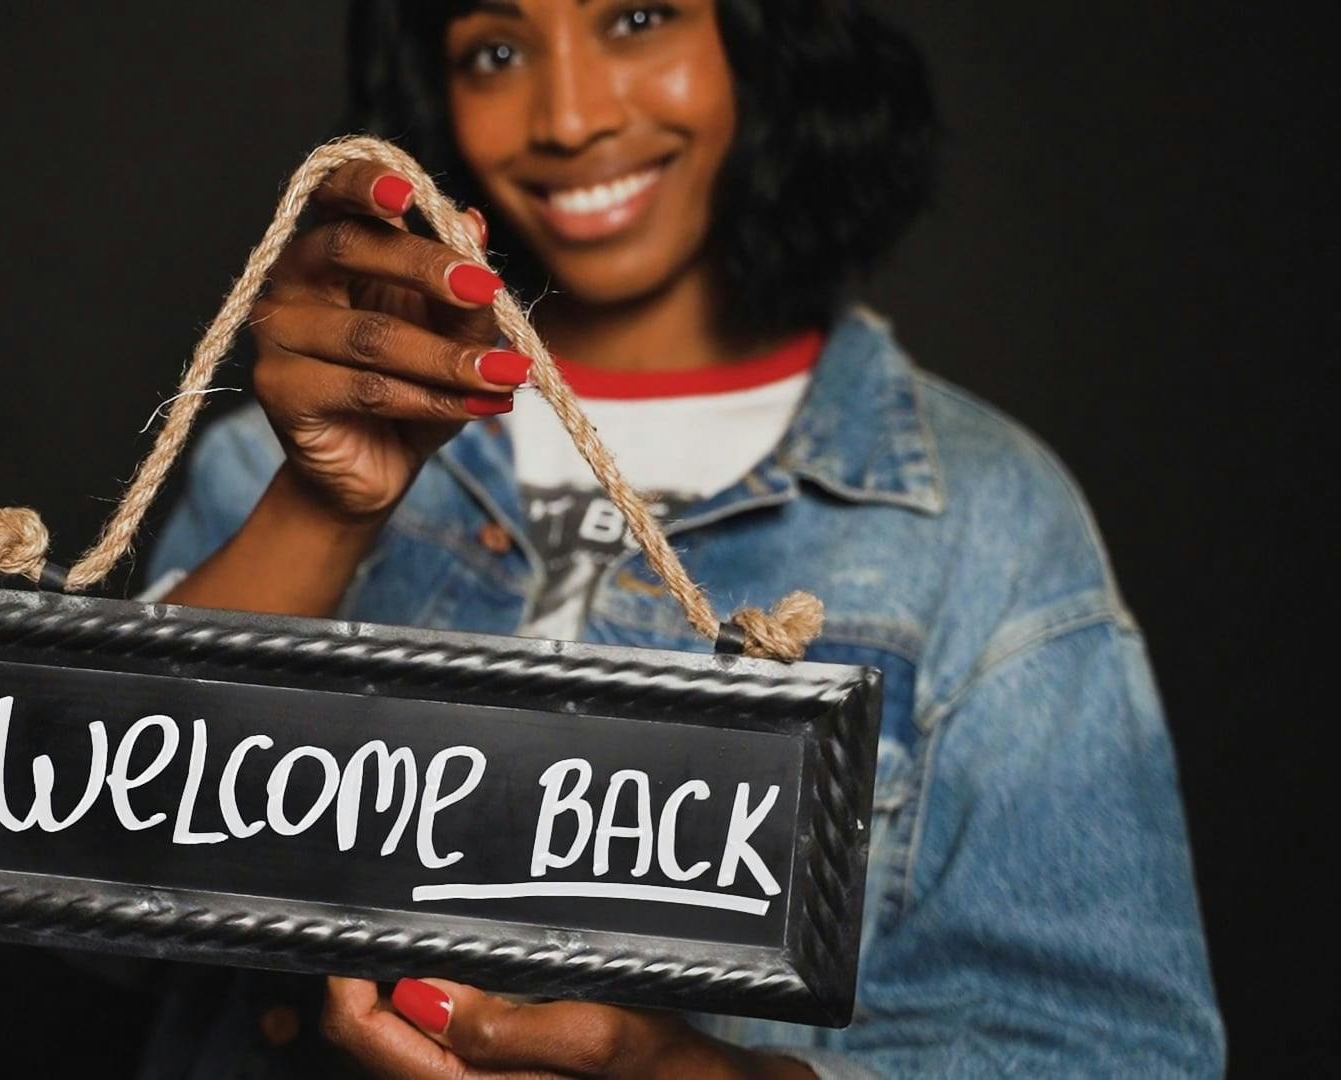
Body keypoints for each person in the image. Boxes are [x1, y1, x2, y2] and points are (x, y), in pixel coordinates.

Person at [128, 1, 1224, 1075]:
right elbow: (90, 919)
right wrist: (321, 513)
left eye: (640, 19)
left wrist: (699, 1075)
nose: (569, 114)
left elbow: (1116, 1049)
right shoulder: (273, 460)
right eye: (498, 47)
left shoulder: (981, 517)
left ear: (761, 38)